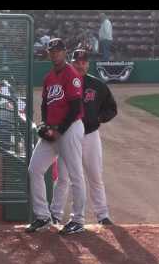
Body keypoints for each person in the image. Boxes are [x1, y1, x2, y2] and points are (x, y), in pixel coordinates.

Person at [26, 38, 87, 235]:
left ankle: (78, 220)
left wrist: (59, 130)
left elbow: (76, 106)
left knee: (75, 175)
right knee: (35, 169)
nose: (55, 54)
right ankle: (43, 217)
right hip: (53, 130)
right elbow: (45, 104)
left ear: (65, 52)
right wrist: (44, 124)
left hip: (70, 129)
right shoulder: (49, 77)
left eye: (59, 51)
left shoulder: (72, 74)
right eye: (52, 51)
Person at [50, 49, 117, 226]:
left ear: (88, 64)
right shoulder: (62, 83)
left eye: (84, 62)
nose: (80, 65)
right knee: (64, 177)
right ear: (71, 63)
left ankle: (102, 215)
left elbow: (111, 108)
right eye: (77, 62)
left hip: (90, 135)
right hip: (68, 136)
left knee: (95, 175)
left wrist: (100, 118)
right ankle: (55, 214)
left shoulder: (97, 85)